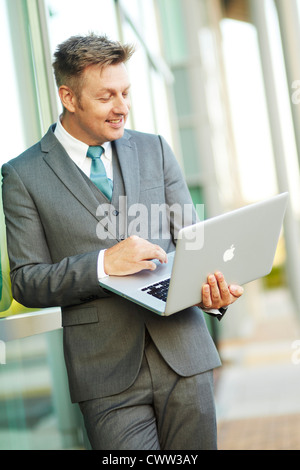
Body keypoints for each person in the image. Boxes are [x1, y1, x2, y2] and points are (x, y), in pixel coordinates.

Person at [1, 34, 243, 450]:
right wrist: (102, 264)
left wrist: (211, 293)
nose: (122, 107)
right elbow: (26, 281)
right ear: (69, 98)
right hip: (105, 376)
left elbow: (193, 242)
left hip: (184, 356)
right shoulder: (22, 175)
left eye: (126, 92)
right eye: (106, 96)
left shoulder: (156, 150)